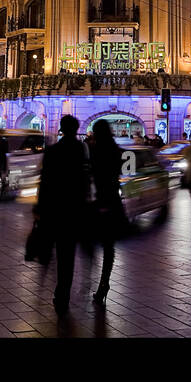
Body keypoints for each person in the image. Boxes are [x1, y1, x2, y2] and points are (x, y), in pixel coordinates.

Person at [36, 114, 91, 314]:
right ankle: (63, 292)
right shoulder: (81, 150)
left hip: (54, 207)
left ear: (61, 128)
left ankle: (57, 288)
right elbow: (85, 180)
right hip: (74, 208)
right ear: (76, 129)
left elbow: (45, 181)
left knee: (55, 250)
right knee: (68, 254)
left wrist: (39, 208)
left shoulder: (52, 151)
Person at [88, 119, 126, 305]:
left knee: (90, 240)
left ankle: (93, 279)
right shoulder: (115, 150)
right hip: (112, 200)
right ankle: (104, 281)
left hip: (98, 200)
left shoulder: (94, 151)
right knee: (108, 246)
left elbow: (91, 175)